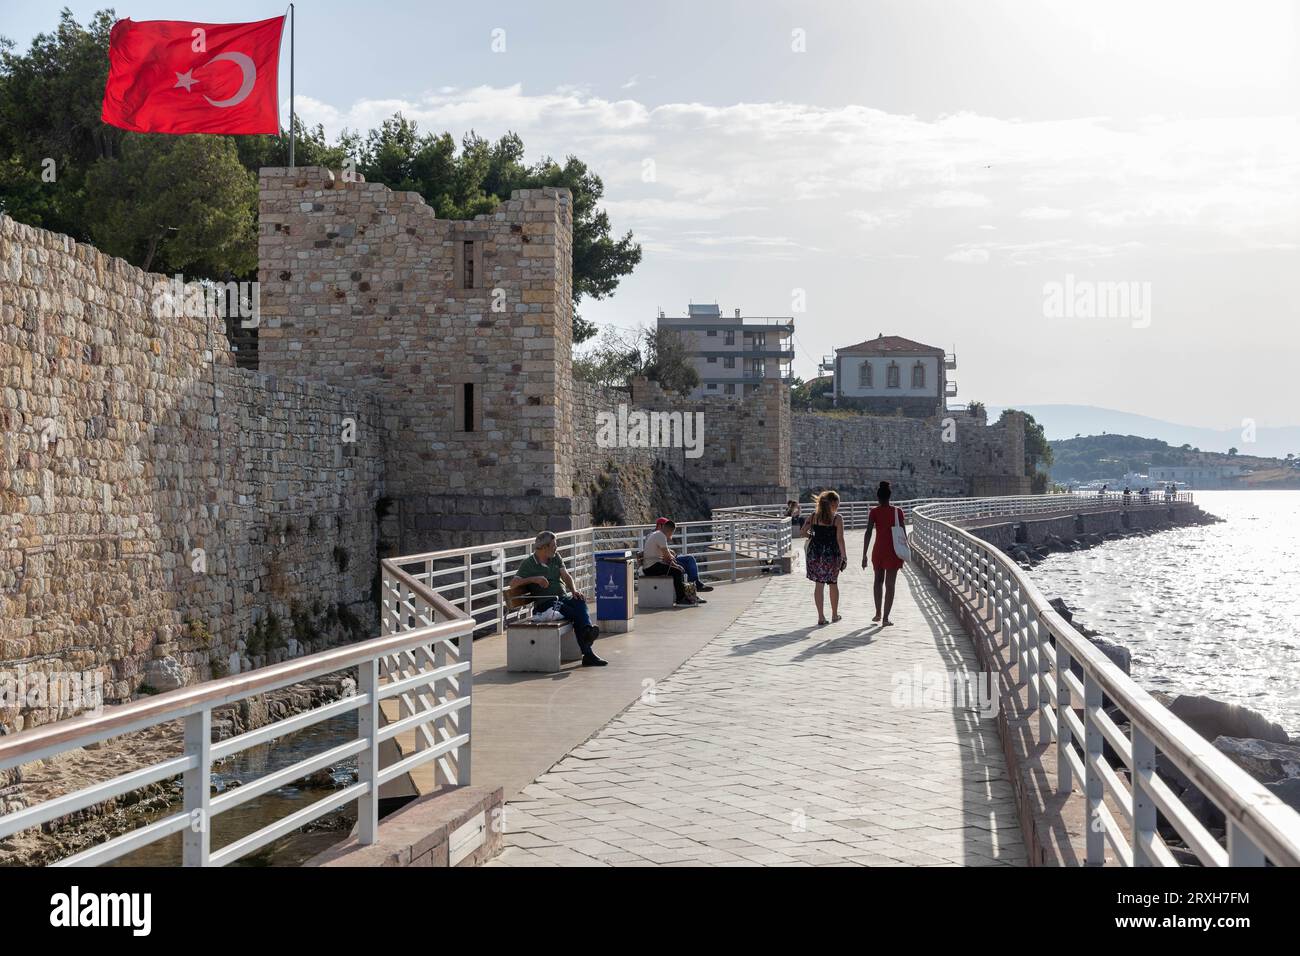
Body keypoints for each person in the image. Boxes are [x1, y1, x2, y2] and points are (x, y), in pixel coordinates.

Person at [510, 531, 607, 666]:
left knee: (579, 601)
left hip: (561, 598)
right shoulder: (529, 564)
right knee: (575, 614)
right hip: (545, 604)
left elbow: (566, 576)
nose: (556, 548)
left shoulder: (555, 557)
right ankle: (587, 647)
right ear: (544, 547)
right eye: (554, 545)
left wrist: (574, 591)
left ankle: (586, 632)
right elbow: (513, 584)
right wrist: (534, 579)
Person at [799, 489, 846, 625]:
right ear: (832, 503)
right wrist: (844, 556)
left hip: (815, 553)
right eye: (837, 503)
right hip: (831, 554)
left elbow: (802, 532)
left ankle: (820, 617)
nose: (838, 506)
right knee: (833, 583)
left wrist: (812, 537)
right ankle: (834, 615)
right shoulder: (837, 519)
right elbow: (840, 539)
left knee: (818, 585)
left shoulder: (813, 517)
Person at [862, 480, 906, 626]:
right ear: (889, 496)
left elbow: (868, 532)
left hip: (878, 550)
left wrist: (864, 555)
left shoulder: (874, 512)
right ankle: (886, 618)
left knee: (877, 582)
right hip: (893, 551)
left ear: (878, 498)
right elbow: (903, 534)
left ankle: (877, 613)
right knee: (890, 584)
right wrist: (905, 553)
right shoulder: (897, 512)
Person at [642, 518, 706, 607]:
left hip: (651, 565)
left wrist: (675, 563)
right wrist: (677, 565)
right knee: (677, 571)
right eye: (672, 533)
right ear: (670, 531)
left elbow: (666, 554)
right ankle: (680, 599)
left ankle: (686, 594)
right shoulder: (661, 536)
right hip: (652, 567)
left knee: (677, 570)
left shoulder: (657, 534)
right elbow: (667, 556)